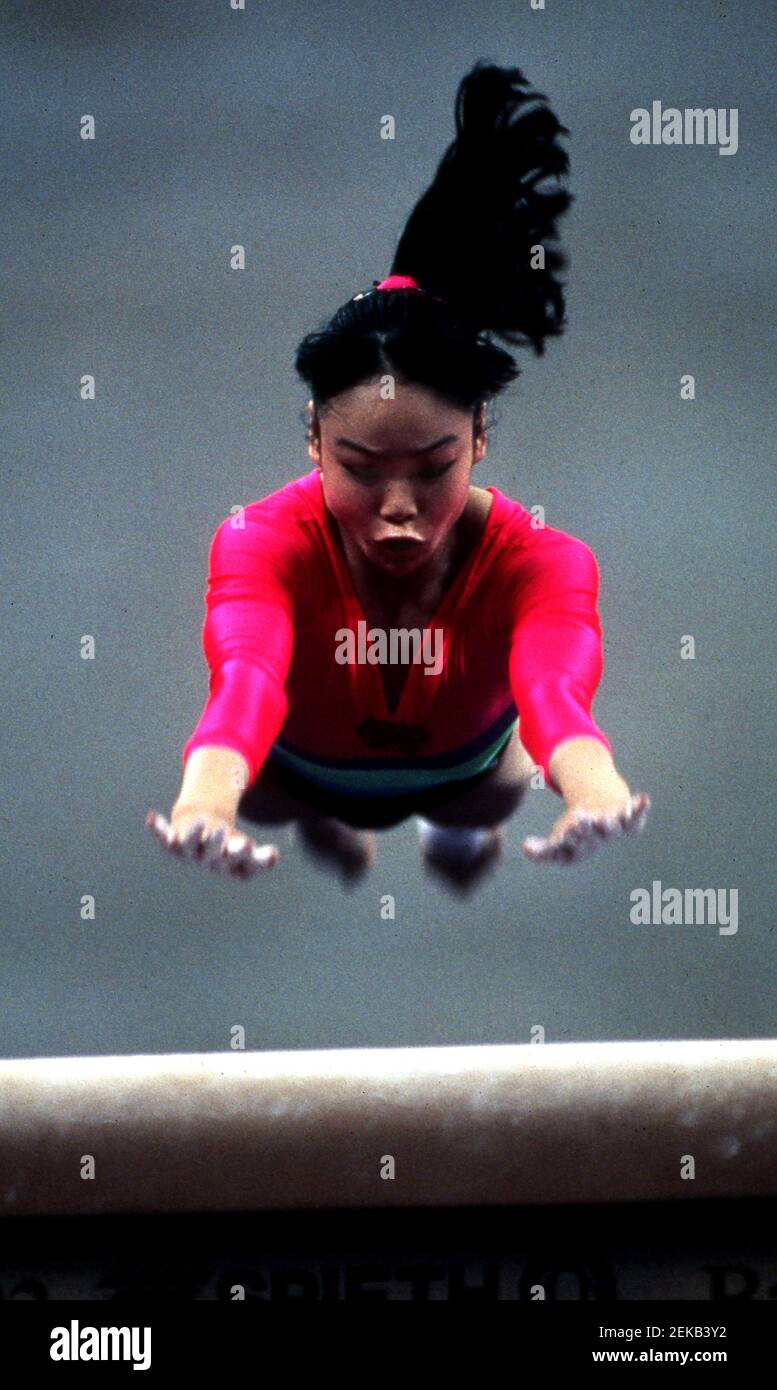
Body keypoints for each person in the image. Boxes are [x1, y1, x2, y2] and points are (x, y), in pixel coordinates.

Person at [147, 61, 649, 892]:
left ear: (480, 435)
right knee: (279, 803)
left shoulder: (545, 561)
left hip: (464, 777)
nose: (398, 510)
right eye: (360, 468)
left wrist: (597, 795)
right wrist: (205, 805)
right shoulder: (259, 541)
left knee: (480, 804)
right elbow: (245, 678)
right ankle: (329, 820)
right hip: (295, 775)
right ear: (312, 439)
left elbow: (555, 689)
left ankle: (436, 836)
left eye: (433, 468)